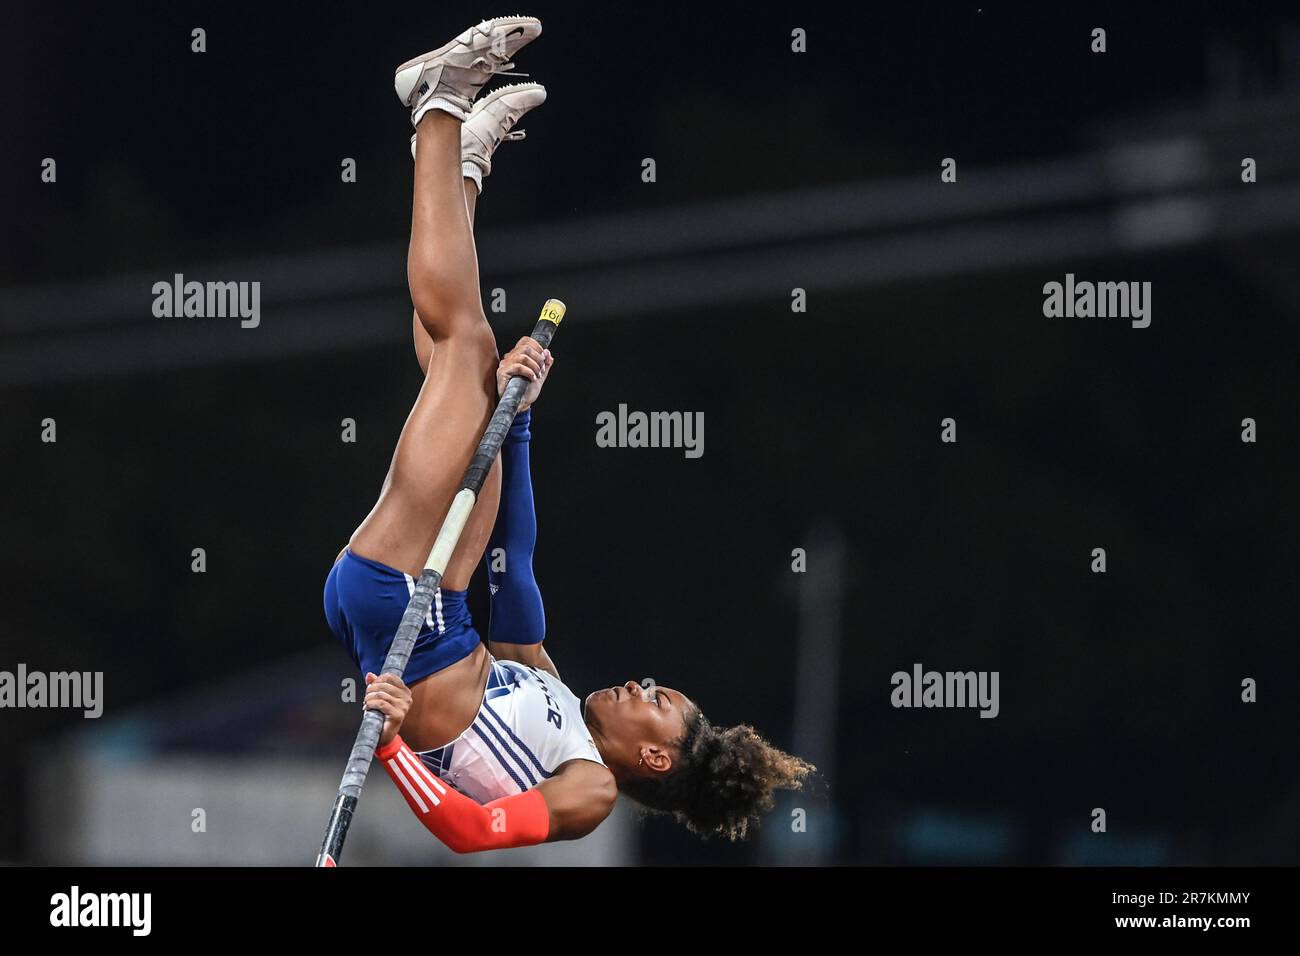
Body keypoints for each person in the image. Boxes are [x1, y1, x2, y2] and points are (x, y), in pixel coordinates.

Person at [324, 15, 813, 854]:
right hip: (427, 606)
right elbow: (514, 562)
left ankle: (434, 109)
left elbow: (471, 834)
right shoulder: (548, 684)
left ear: (654, 756)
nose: (637, 683)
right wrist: (517, 422)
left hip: (400, 603)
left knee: (466, 349)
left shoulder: (586, 790)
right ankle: (460, 166)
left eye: (653, 697)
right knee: (471, 372)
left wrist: (397, 743)